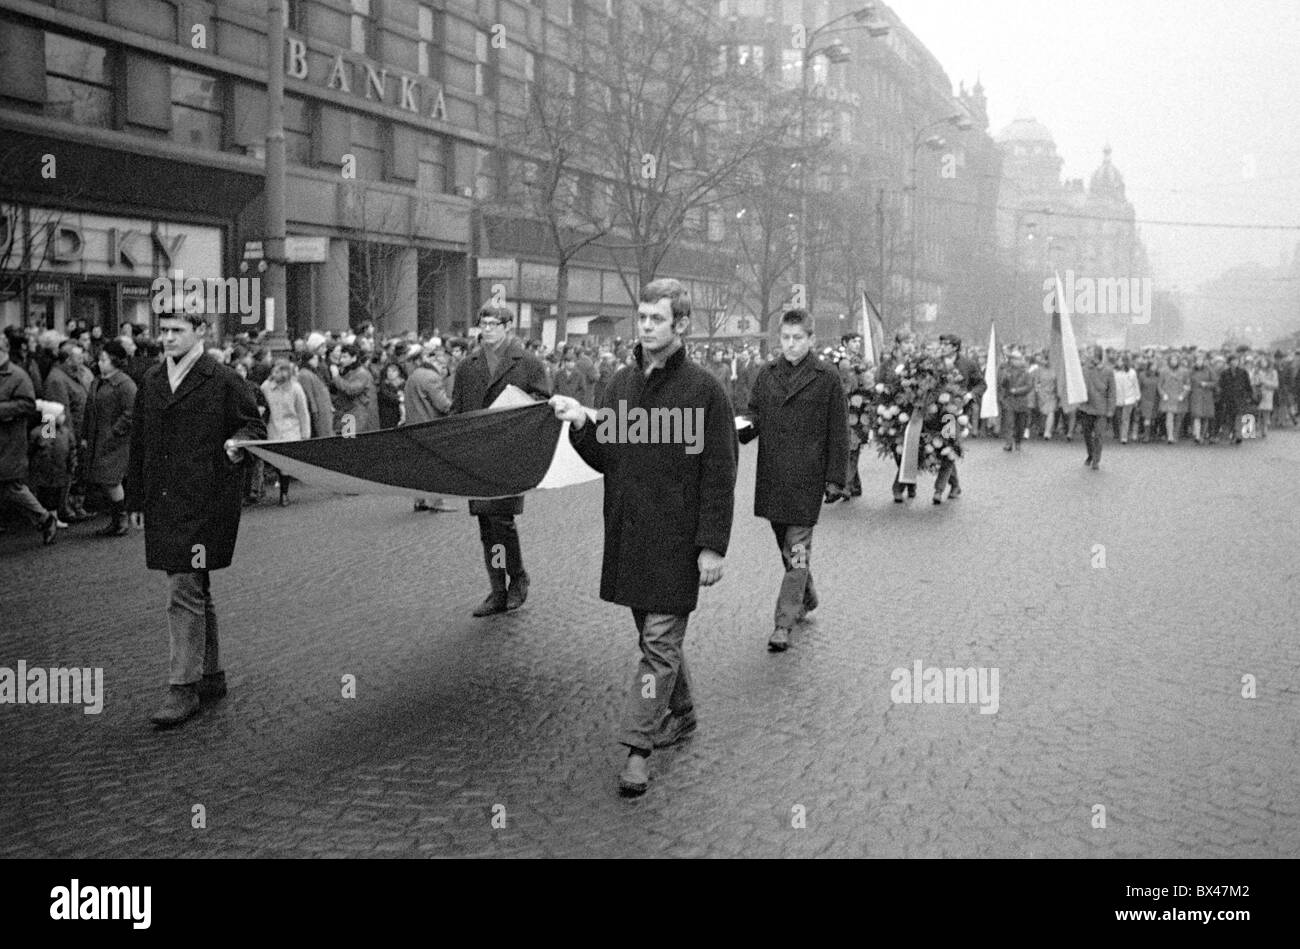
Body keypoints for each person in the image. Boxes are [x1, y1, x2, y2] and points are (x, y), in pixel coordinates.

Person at [550, 277, 736, 797]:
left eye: (658, 318)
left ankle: (637, 748)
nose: (647, 326)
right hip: (631, 535)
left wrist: (712, 544)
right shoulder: (620, 384)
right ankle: (684, 713)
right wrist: (580, 423)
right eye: (643, 317)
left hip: (678, 544)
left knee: (657, 647)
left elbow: (720, 474)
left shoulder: (706, 391)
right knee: (655, 638)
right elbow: (606, 455)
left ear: (681, 324)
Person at [124, 311, 265, 728]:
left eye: (176, 331)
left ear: (200, 332)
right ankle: (210, 673)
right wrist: (135, 499)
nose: (167, 338)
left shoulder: (221, 379)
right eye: (163, 331)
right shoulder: (151, 381)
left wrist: (237, 444)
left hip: (206, 502)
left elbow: (255, 424)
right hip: (165, 502)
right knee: (196, 585)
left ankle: (181, 687)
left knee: (181, 586)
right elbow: (139, 443)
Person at [739, 309, 847, 653]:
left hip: (806, 482)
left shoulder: (827, 377)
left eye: (797, 338)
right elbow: (754, 412)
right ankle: (808, 594)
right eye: (785, 338)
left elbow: (838, 431)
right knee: (787, 548)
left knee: (797, 550)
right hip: (773, 478)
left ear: (811, 339)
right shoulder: (766, 374)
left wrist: (835, 479)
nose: (790, 344)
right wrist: (742, 427)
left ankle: (782, 623)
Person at [452, 301, 551, 616]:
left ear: (508, 327)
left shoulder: (528, 363)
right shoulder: (467, 365)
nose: (488, 329)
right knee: (486, 524)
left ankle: (518, 576)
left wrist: (519, 406)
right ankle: (497, 590)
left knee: (502, 521)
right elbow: (457, 409)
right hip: (478, 454)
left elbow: (544, 402)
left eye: (495, 324)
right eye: (483, 324)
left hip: (510, 452)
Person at [0, 333, 58, 544]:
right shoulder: (30, 367)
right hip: (33, 429)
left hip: (13, 439)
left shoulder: (20, 375)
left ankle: (47, 517)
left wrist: (48, 436)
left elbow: (31, 404)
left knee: (13, 486)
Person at [83, 339, 138, 537]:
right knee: (105, 479)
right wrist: (85, 435)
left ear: (114, 361)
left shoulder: (124, 384)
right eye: (99, 359)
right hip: (100, 438)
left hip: (116, 441)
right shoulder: (98, 381)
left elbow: (132, 411)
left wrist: (116, 430)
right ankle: (116, 519)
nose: (99, 362)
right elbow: (89, 411)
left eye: (104, 359)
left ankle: (120, 519)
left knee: (111, 480)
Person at [402, 345, 456, 513]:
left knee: (419, 466)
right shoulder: (432, 377)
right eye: (444, 369)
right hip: (430, 427)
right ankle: (437, 502)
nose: (444, 374)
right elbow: (443, 405)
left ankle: (420, 500)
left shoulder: (414, 376)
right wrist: (457, 406)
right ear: (439, 365)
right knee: (435, 465)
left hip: (414, 426)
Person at [260, 357, 311, 506]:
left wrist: (305, 433)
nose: (274, 374)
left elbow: (302, 412)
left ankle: (284, 493)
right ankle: (281, 484)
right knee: (276, 461)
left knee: (284, 464)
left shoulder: (295, 388)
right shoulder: (266, 387)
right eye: (273, 370)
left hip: (291, 429)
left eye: (277, 371)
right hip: (273, 427)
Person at [1078, 346, 1116, 470]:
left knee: (1099, 435)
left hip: (1101, 409)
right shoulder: (1084, 369)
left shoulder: (1108, 371)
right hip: (1086, 407)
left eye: (1090, 352)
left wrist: (1110, 409)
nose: (1088, 354)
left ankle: (1096, 459)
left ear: (1097, 355)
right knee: (1087, 434)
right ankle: (1090, 454)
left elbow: (1112, 392)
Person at [329, 343, 377, 434]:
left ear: (354, 358)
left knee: (355, 444)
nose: (341, 360)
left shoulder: (361, 373)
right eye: (340, 357)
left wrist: (336, 377)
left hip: (359, 417)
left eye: (345, 357)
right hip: (350, 414)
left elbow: (351, 390)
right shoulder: (347, 371)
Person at [998, 349, 1032, 452]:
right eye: (1013, 359)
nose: (1015, 361)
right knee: (1009, 423)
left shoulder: (1026, 372)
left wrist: (1016, 391)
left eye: (1017, 359)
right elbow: (1001, 384)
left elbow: (1029, 386)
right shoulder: (1006, 370)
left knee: (1020, 424)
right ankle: (1008, 443)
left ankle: (1018, 442)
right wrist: (1005, 377)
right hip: (1009, 400)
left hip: (1021, 401)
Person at [1158, 353, 1191, 444]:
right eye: (1172, 360)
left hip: (1179, 398)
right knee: (1169, 417)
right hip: (1168, 397)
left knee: (1179, 418)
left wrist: (1183, 395)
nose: (1174, 362)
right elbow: (1159, 385)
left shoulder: (1184, 371)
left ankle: (1175, 434)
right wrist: (1163, 394)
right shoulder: (1163, 371)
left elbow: (1187, 385)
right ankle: (1170, 436)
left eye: (1175, 360)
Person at [1188, 354, 1216, 445]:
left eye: (1201, 360)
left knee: (1205, 417)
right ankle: (1197, 436)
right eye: (1197, 360)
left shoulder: (1209, 370)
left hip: (1206, 395)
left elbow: (1215, 382)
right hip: (1196, 395)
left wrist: (1207, 384)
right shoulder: (1191, 371)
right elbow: (1188, 381)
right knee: (1197, 416)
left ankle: (1202, 436)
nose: (1199, 362)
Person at [1251, 355, 1278, 440]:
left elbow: (1275, 385)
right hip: (1258, 394)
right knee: (1256, 412)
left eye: (1265, 361)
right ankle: (1252, 429)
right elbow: (1253, 382)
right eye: (1262, 361)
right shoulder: (1256, 371)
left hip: (1268, 395)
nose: (1263, 363)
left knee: (1266, 413)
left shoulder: (1273, 372)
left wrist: (1265, 383)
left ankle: (1264, 430)